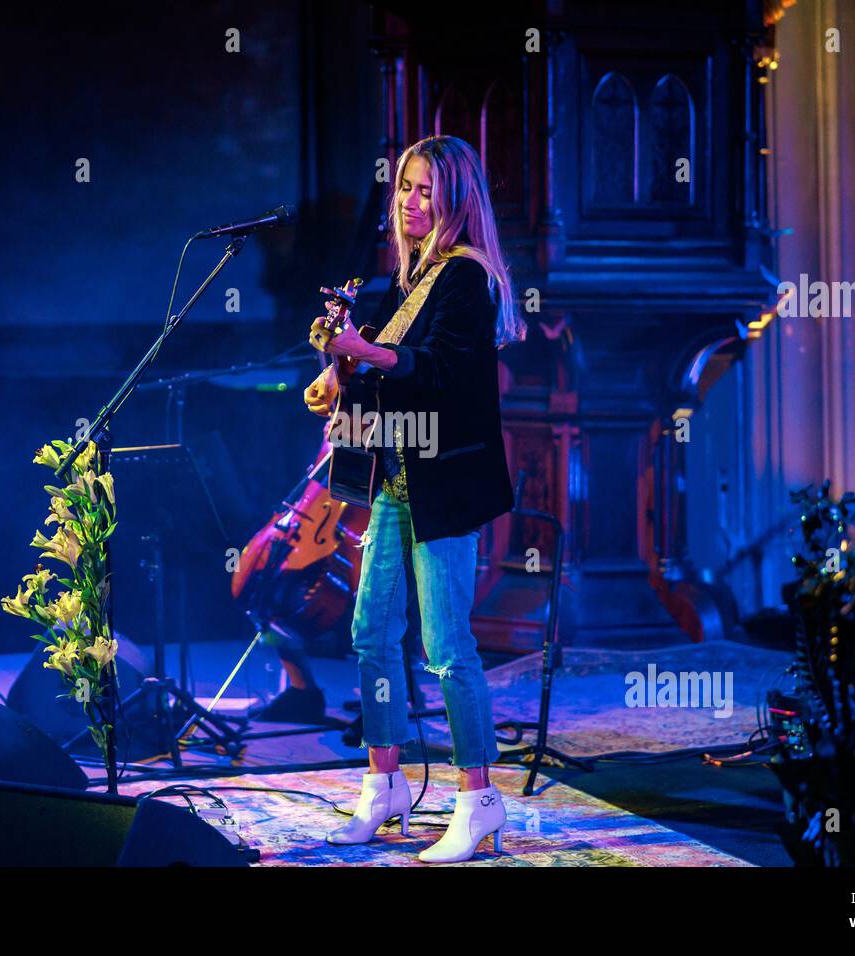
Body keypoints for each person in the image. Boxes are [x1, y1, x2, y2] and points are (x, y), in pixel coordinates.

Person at [303, 134, 524, 863]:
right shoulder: (405, 281)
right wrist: (341, 364)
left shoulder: (465, 278)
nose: (410, 202)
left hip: (445, 486)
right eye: (405, 187)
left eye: (427, 190)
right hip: (396, 482)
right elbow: (385, 385)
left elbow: (437, 374)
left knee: (447, 646)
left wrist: (363, 353)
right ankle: (385, 784)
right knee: (369, 635)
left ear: (457, 199)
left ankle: (478, 800)